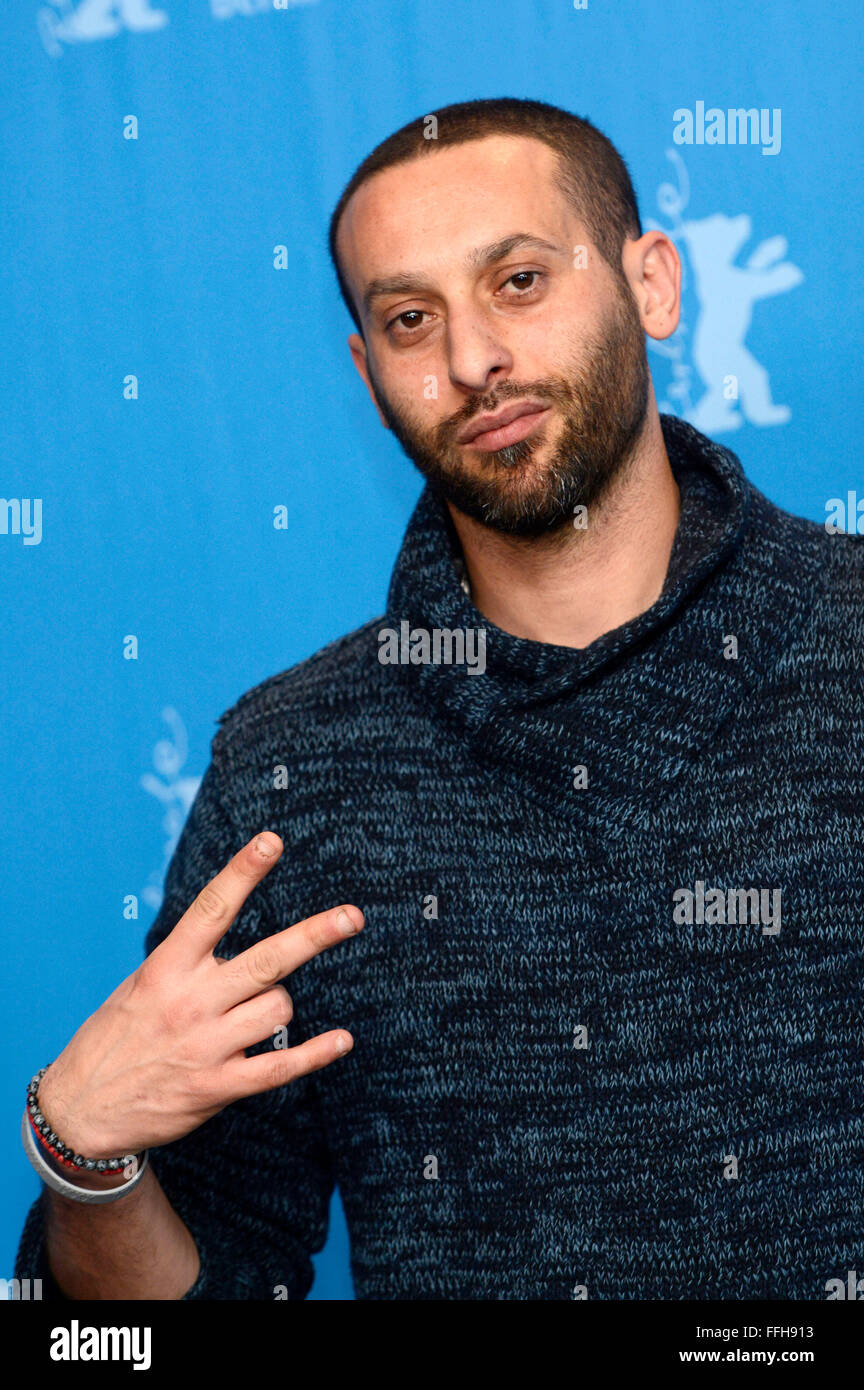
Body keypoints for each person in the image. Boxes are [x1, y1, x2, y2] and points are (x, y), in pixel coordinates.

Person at [15, 97, 864, 1301]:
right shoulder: (293, 765)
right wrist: (85, 1161)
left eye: (519, 280)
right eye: (412, 318)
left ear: (654, 285)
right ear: (369, 375)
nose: (472, 361)